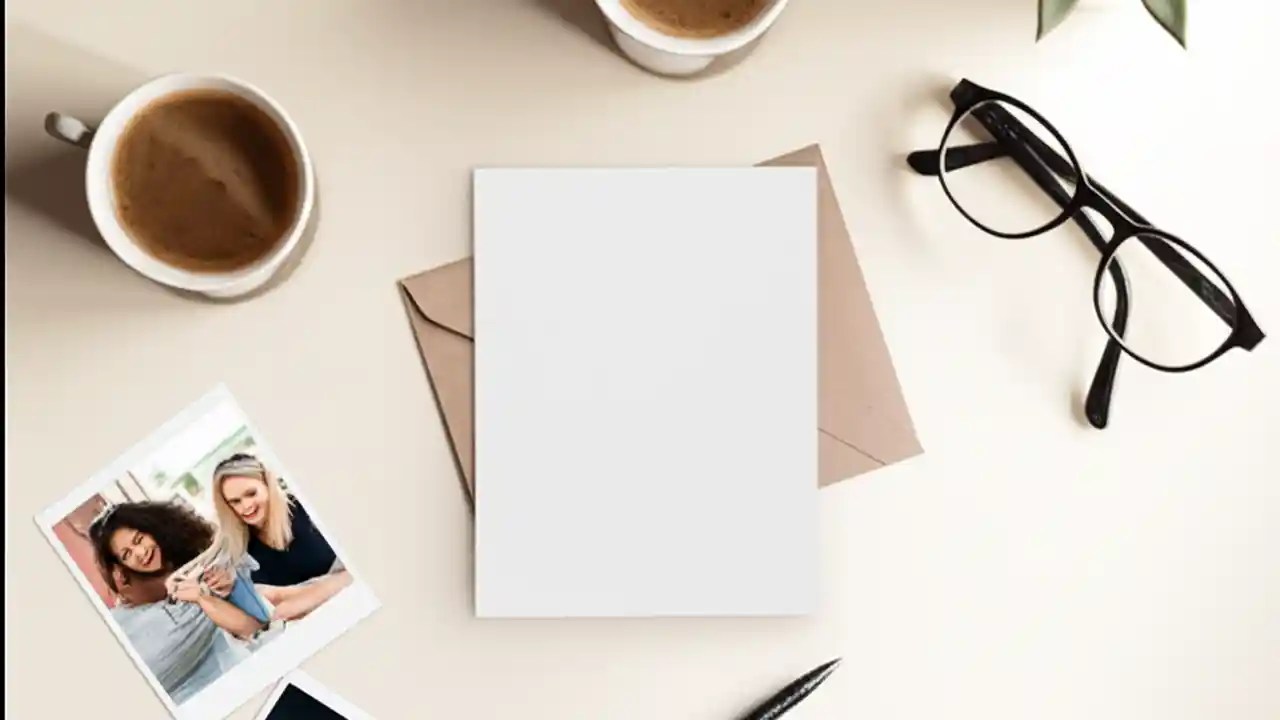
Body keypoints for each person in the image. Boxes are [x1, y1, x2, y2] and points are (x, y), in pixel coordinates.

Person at [88, 502, 267, 704]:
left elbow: (254, 622)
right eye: (127, 555)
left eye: (139, 540)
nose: (140, 553)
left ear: (155, 528)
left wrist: (228, 585)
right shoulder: (139, 611)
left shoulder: (205, 560)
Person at [212, 453, 352, 622]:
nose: (246, 506)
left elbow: (358, 570)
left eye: (251, 493)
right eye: (235, 501)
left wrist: (285, 597)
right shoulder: (240, 551)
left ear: (267, 484)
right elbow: (267, 612)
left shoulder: (306, 507)